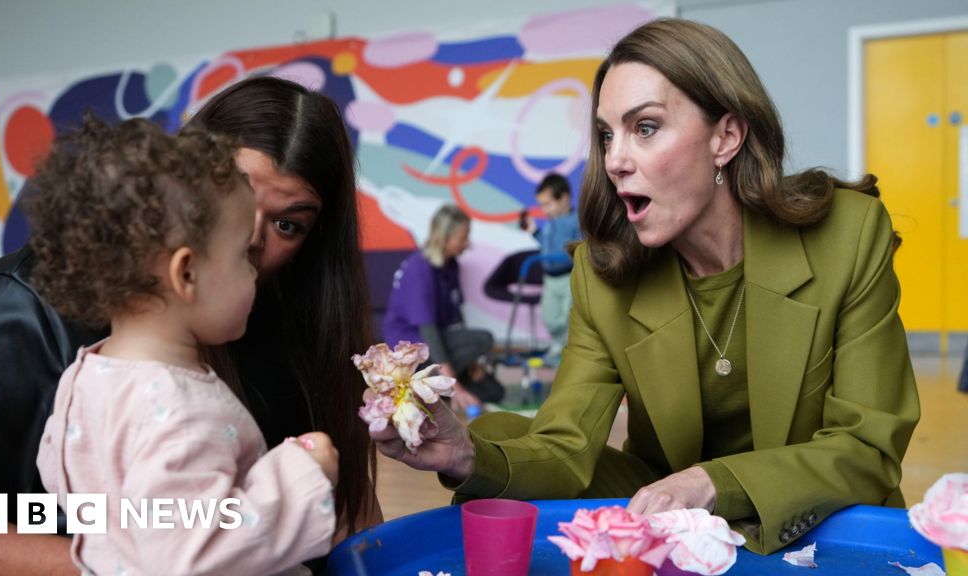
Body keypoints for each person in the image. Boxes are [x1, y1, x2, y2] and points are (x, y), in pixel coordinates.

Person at [369, 18, 920, 555]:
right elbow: (563, 446)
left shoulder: (846, 234)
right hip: (669, 512)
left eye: (646, 127)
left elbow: (866, 446)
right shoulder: (604, 277)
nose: (614, 160)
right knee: (500, 434)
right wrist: (463, 454)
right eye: (607, 135)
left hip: (817, 520)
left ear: (725, 136)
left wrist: (712, 483)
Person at [0, 76, 377, 575]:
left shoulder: (279, 316)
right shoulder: (13, 309)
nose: (254, 241)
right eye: (235, 199)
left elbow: (347, 519)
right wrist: (122, 549)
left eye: (287, 224)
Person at [29, 116, 338, 574]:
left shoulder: (85, 377)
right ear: (186, 274)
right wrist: (300, 476)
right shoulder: (177, 409)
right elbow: (190, 557)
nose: (255, 270)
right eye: (240, 257)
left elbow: (76, 492)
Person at [383, 205, 504, 410]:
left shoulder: (451, 265)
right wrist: (453, 383)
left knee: (494, 391)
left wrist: (471, 360)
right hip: (412, 348)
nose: (467, 244)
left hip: (440, 344)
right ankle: (426, 385)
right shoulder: (419, 268)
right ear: (444, 238)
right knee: (484, 338)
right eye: (463, 237)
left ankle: (432, 391)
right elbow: (427, 331)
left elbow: (456, 321)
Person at [522, 172, 581, 361]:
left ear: (564, 198)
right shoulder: (549, 224)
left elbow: (581, 248)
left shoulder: (576, 221)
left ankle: (570, 352)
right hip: (550, 279)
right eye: (542, 205)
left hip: (569, 278)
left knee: (569, 318)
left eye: (547, 204)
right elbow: (546, 247)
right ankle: (557, 344)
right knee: (550, 317)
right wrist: (534, 232)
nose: (544, 210)